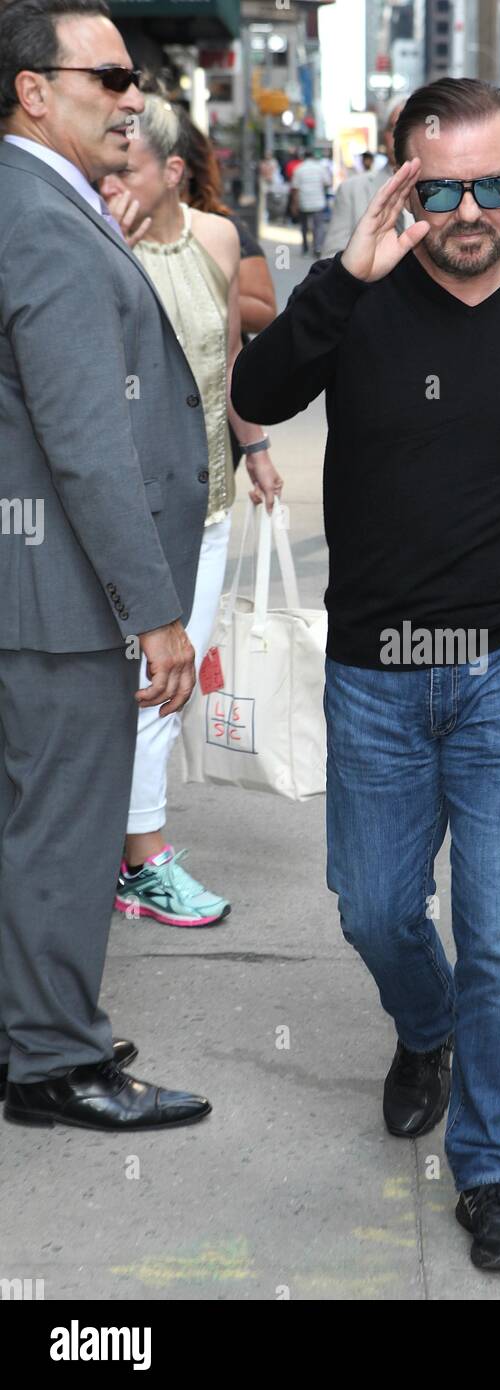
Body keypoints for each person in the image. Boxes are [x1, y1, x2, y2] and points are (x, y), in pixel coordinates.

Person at [232, 77, 500, 1270]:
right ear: (399, 182)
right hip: (377, 669)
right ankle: (423, 1030)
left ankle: (491, 1171)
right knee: (373, 909)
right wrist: (344, 276)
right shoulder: (359, 301)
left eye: (494, 185)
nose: (470, 210)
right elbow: (253, 395)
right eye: (441, 189)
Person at [0, 0, 212, 1129]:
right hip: (61, 598)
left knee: (29, 825)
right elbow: (86, 439)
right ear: (36, 89)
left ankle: (30, 1032)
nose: (134, 94)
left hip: (31, 587)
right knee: (65, 838)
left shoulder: (44, 203)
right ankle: (55, 1066)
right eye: (112, 74)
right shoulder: (37, 215)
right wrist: (157, 613)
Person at [100, 94, 283, 927]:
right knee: (104, 689)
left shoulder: (214, 238)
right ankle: (125, 853)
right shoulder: (94, 238)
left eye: (126, 164)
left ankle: (136, 859)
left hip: (203, 507)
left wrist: (255, 449)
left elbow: (230, 359)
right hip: (108, 512)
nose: (111, 178)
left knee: (163, 688)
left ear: (173, 171)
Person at [171, 107, 277, 471]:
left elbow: (264, 310)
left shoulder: (223, 230)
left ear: (181, 169)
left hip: (212, 410)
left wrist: (195, 288)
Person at [322, 96, 409, 256]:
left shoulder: (447, 188)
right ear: (385, 134)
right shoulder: (351, 190)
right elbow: (330, 260)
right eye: (395, 127)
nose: (402, 136)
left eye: (411, 127)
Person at [289, 146, 330, 256]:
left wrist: (294, 204)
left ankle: (305, 247)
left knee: (304, 226)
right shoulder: (320, 168)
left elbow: (295, 189)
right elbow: (327, 182)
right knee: (319, 226)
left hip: (304, 202)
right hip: (318, 202)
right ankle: (317, 247)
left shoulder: (299, 169)